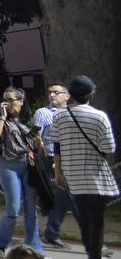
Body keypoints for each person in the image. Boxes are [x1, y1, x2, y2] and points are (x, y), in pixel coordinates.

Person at [49, 74, 117, 259]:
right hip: (96, 177)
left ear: (70, 95)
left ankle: (92, 256)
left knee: (84, 220)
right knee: (96, 221)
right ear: (90, 94)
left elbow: (57, 147)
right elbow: (109, 147)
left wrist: (58, 172)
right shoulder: (99, 116)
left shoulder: (59, 116)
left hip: (72, 176)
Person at [0, 87, 45, 258]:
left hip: (28, 166)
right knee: (13, 208)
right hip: (9, 167)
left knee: (30, 208)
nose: (7, 103)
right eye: (4, 99)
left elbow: (38, 146)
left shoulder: (29, 120)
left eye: (11, 99)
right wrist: (2, 116)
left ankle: (34, 247)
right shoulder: (0, 119)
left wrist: (39, 144)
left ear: (21, 101)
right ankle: (1, 242)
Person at [31, 84, 76, 249]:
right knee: (71, 196)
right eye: (49, 92)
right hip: (51, 159)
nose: (51, 95)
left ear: (67, 95)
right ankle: (92, 240)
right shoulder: (42, 113)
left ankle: (51, 233)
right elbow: (33, 136)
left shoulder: (73, 113)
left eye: (56, 92)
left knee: (64, 198)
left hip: (71, 159)